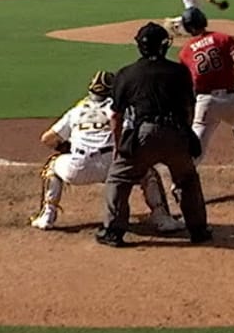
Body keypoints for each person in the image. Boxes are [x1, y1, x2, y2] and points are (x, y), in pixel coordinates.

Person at [97, 23, 211, 247]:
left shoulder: (126, 73)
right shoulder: (179, 71)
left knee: (119, 178)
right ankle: (198, 231)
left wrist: (120, 146)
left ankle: (113, 232)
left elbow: (116, 116)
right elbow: (189, 108)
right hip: (176, 132)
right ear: (164, 46)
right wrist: (186, 135)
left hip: (142, 135)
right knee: (187, 179)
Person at [29, 70, 183, 233]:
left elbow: (47, 139)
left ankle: (47, 216)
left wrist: (67, 149)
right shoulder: (119, 109)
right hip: (114, 166)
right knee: (149, 173)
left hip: (79, 167)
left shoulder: (76, 111)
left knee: (53, 165)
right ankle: (161, 218)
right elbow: (133, 135)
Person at [177, 7, 234, 180]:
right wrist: (232, 74)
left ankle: (181, 181)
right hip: (230, 98)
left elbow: (185, 82)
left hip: (204, 102)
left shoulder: (185, 51)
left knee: (197, 148)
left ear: (188, 28)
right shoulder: (223, 38)